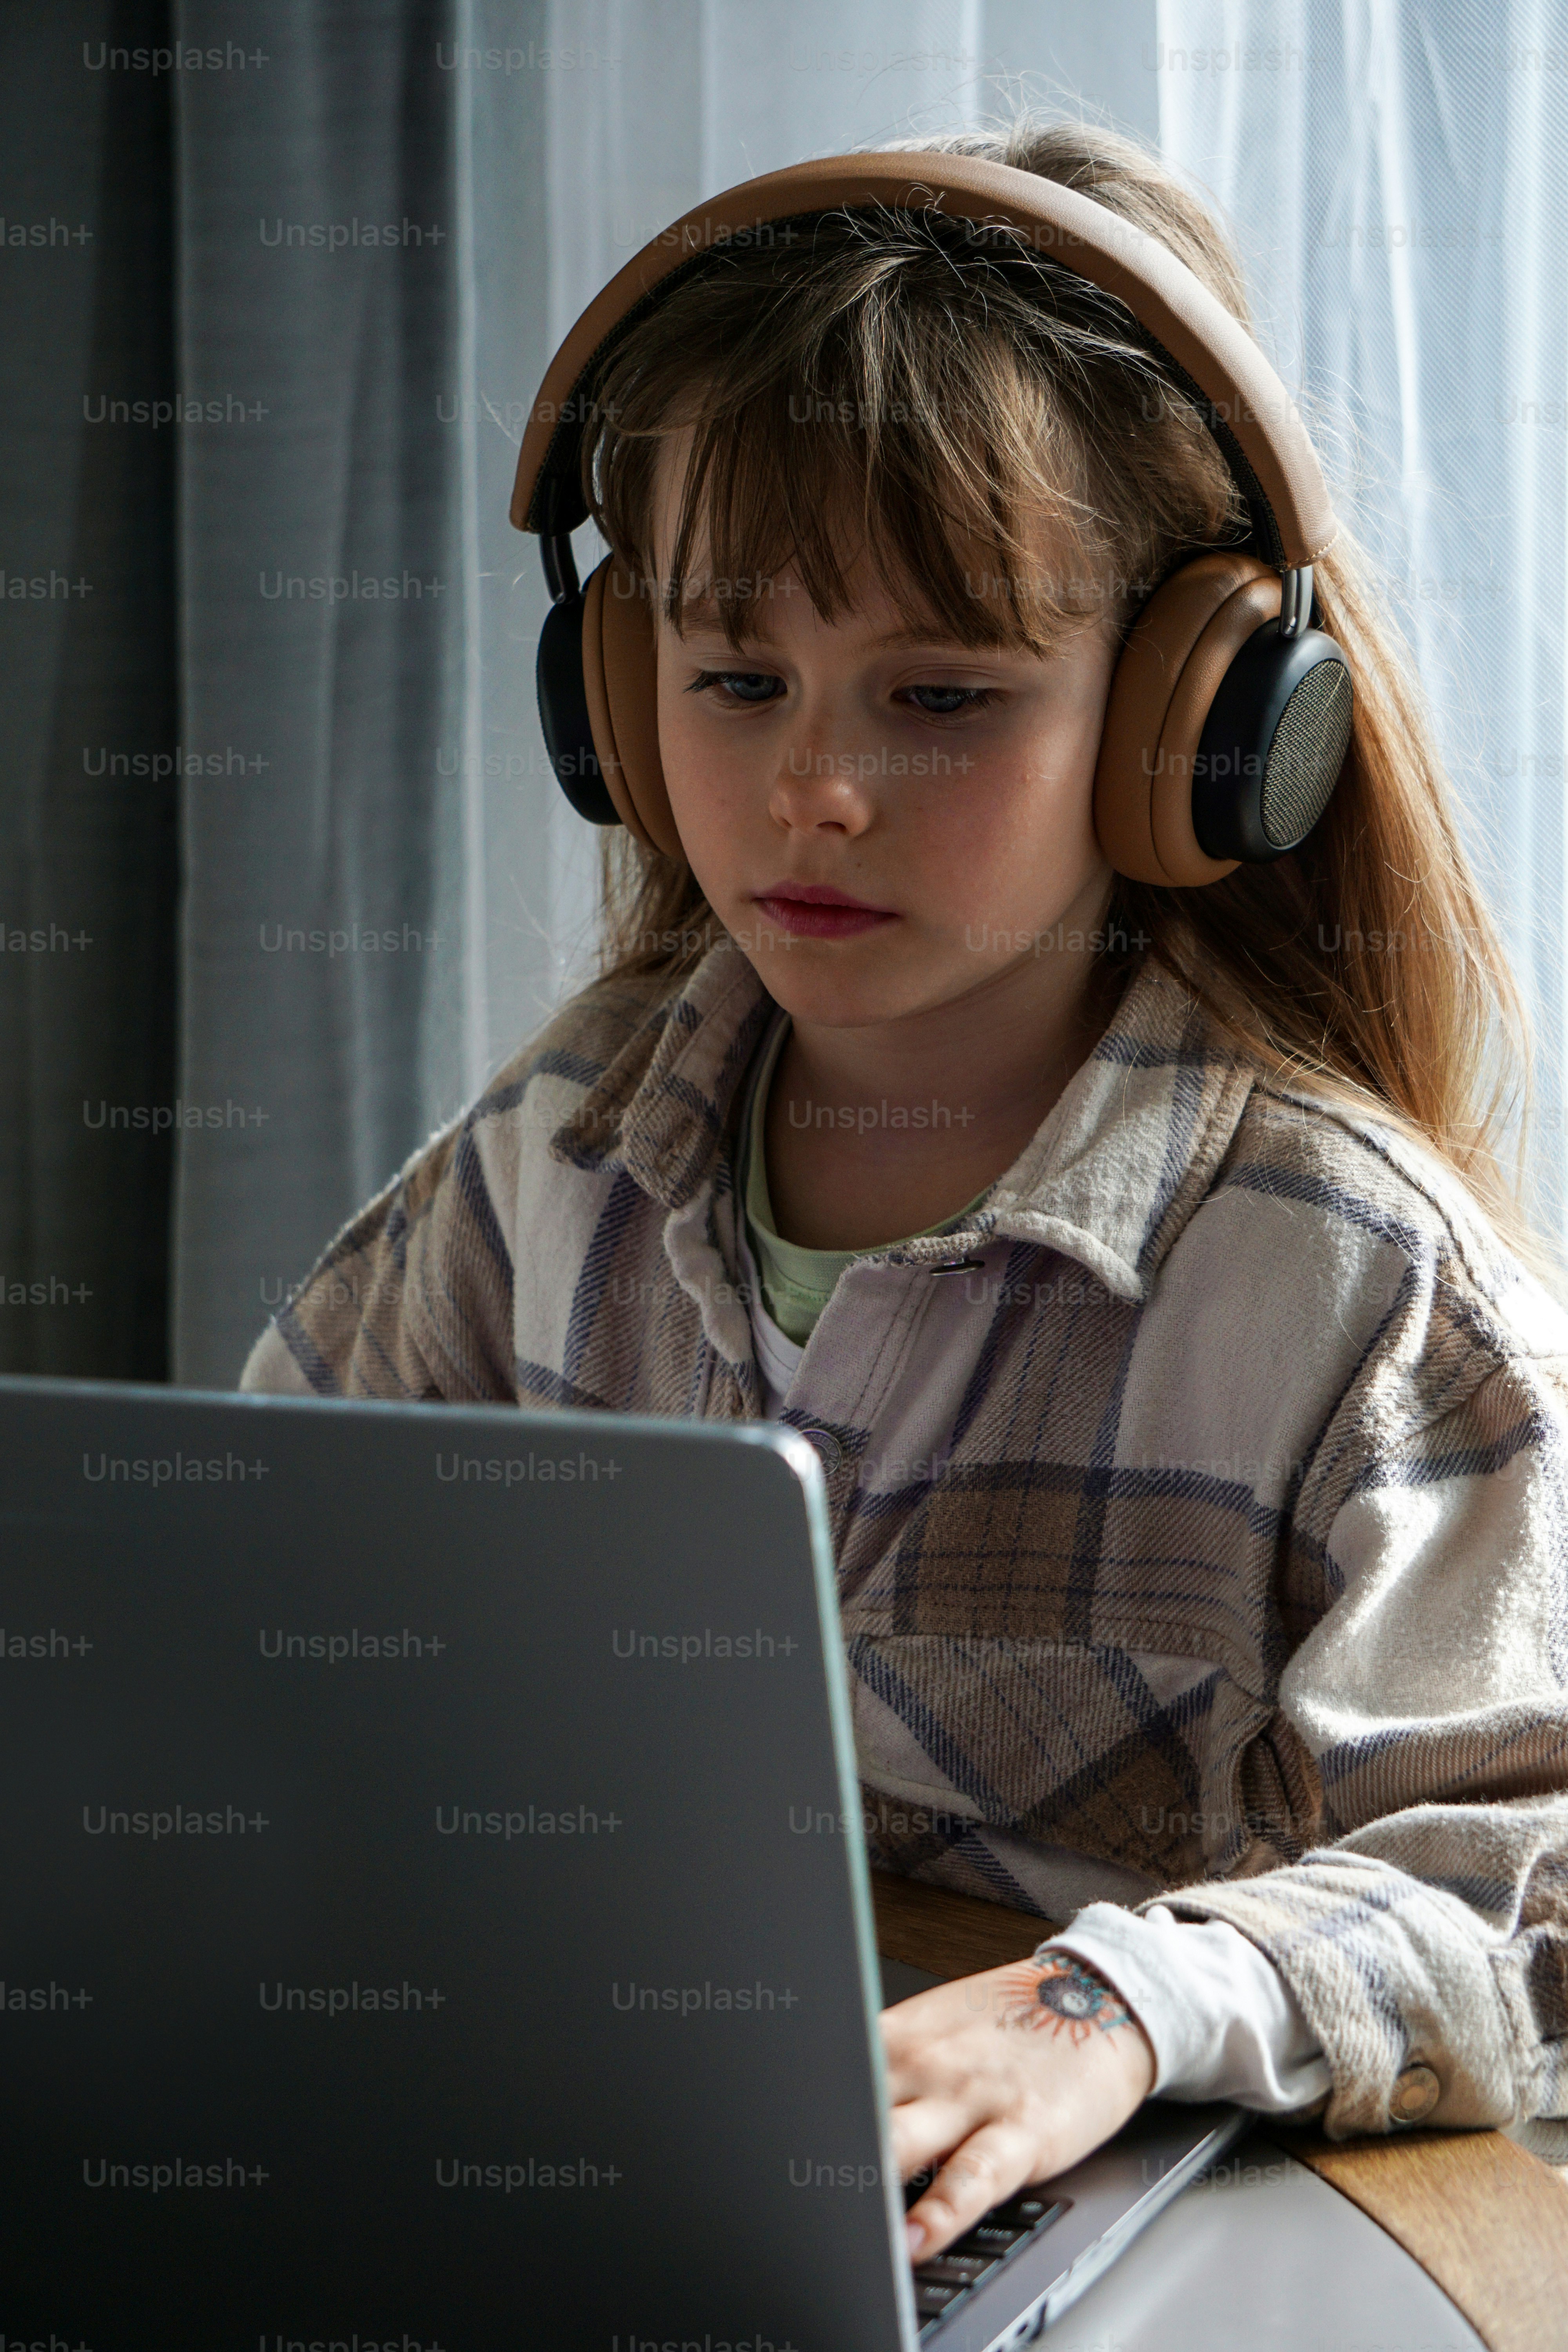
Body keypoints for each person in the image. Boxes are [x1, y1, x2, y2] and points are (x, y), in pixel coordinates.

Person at [241, 114, 1568, 2264]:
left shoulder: (1356, 1294)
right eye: (734, 678)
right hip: (637, 2184)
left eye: (943, 698)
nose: (814, 784)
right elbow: (247, 1624)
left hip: (1174, 2227)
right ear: (611, 695)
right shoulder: (539, 1180)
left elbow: (1523, 1908)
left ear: (1198, 729)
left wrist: (1106, 2003)